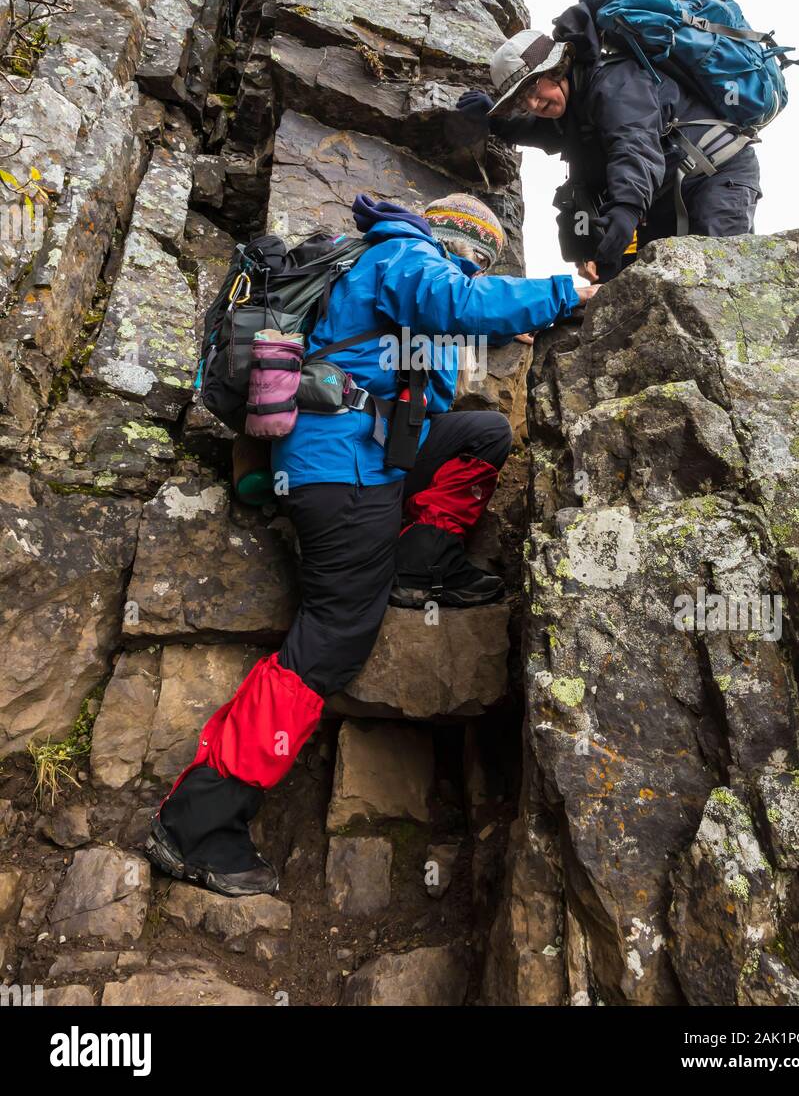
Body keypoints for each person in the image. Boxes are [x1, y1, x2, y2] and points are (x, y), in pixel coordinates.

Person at [144, 192, 596, 897]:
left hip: (369, 455)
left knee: (482, 434)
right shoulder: (406, 253)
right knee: (333, 635)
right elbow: (461, 305)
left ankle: (420, 569)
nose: (475, 268)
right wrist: (564, 290)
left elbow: (432, 355)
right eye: (475, 257)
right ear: (455, 243)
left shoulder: (389, 262)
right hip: (339, 469)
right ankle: (196, 823)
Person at [457, 3, 762, 283]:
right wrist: (493, 119)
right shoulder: (572, 107)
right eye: (522, 99)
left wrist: (628, 207)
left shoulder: (614, 83)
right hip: (666, 194)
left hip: (717, 176)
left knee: (719, 280)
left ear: (557, 68)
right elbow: (541, 133)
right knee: (647, 286)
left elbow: (633, 143)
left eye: (535, 87)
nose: (534, 103)